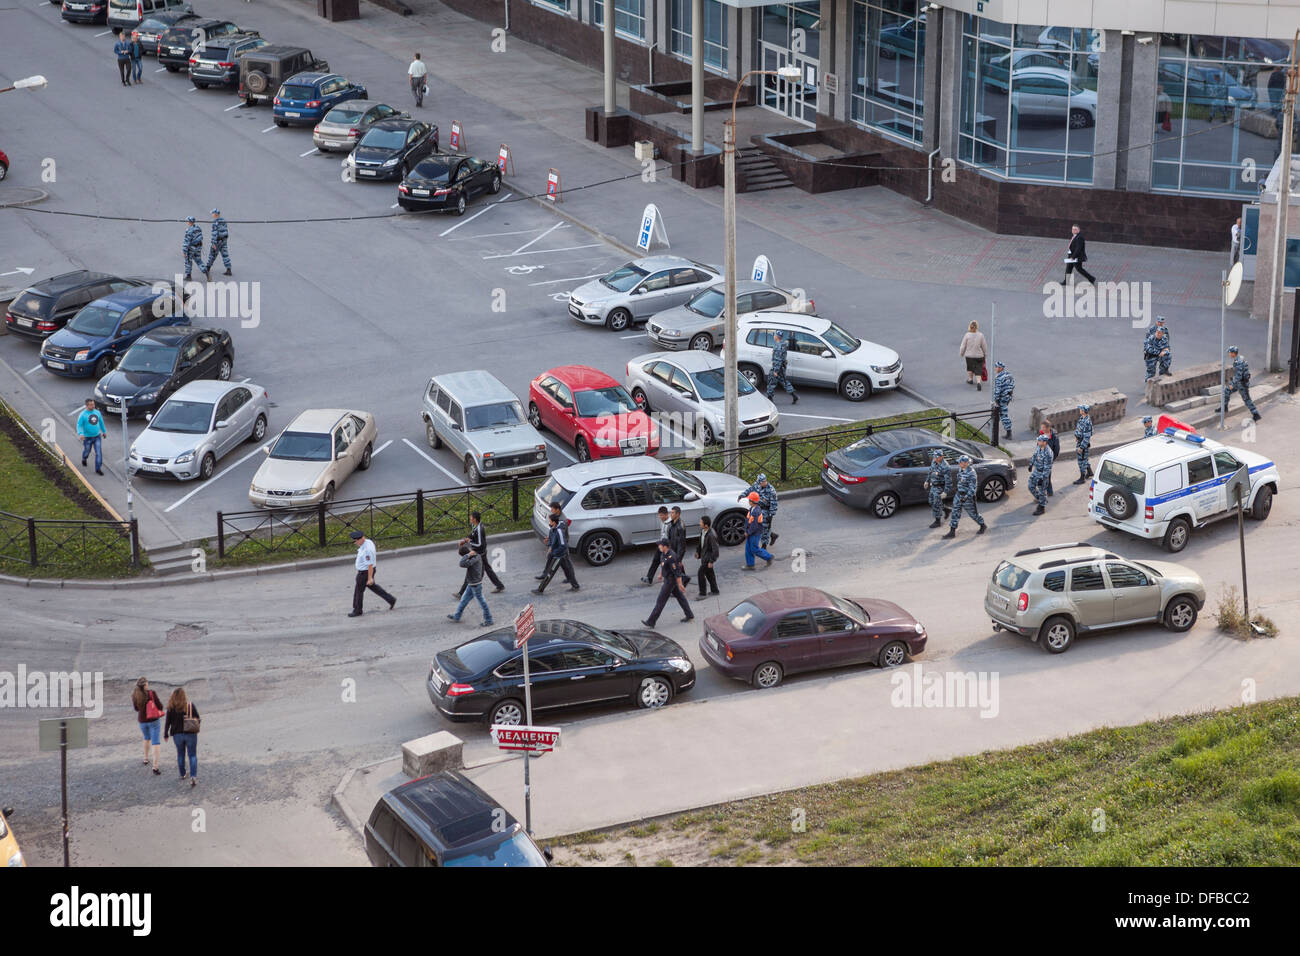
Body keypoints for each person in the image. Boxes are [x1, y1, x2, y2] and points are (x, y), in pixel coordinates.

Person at [641, 541, 694, 627]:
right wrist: (661, 574)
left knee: (660, 601)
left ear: (665, 546)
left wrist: (680, 584)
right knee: (680, 597)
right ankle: (689, 615)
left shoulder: (671, 557)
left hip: (670, 581)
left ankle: (651, 621)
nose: (659, 547)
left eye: (660, 545)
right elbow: (663, 565)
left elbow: (677, 572)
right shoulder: (663, 554)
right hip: (667, 579)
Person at [455, 511, 504, 596]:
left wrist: (470, 543)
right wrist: (465, 540)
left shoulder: (480, 529)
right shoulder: (475, 525)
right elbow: (472, 535)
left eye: (471, 517)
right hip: (479, 552)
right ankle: (499, 585)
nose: (470, 518)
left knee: (471, 571)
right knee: (486, 570)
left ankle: (461, 593)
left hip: (479, 553)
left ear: (475, 519)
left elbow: (480, 544)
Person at [348, 530, 396, 617]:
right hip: (368, 571)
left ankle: (357, 610)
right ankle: (390, 599)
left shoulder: (367, 550)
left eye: (355, 541)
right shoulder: (368, 542)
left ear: (360, 539)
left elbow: (369, 565)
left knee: (358, 591)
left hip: (364, 573)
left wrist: (370, 578)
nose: (354, 543)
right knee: (373, 587)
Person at [447, 545, 493, 626]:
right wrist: (468, 554)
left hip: (475, 584)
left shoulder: (474, 558)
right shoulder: (475, 556)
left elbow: (461, 564)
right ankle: (457, 616)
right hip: (471, 584)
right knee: (464, 600)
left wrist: (468, 555)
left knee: (482, 603)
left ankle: (489, 620)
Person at [163, 687, 200, 787]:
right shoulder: (190, 705)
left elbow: (167, 722)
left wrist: (165, 734)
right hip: (190, 733)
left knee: (180, 754)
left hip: (177, 735)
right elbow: (197, 717)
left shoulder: (170, 708)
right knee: (192, 755)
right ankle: (193, 776)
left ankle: (183, 773)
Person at [942, 456, 986, 538]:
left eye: (960, 462)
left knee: (973, 515)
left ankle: (983, 525)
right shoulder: (961, 469)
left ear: (966, 463)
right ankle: (952, 532)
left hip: (967, 498)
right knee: (955, 513)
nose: (959, 463)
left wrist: (965, 497)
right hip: (959, 495)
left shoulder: (971, 473)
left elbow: (973, 489)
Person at [534, 513, 580, 593]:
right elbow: (552, 540)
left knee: (551, 572)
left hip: (560, 555)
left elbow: (563, 545)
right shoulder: (552, 529)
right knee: (567, 570)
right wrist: (548, 544)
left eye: (550, 521)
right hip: (556, 554)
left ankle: (540, 589)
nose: (549, 522)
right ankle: (575, 586)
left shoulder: (559, 531)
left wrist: (554, 552)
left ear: (554, 522)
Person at [131, 677, 164, 776]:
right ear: (145, 685)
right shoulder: (151, 693)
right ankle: (155, 766)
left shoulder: (135, 695)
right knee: (155, 742)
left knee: (146, 738)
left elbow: (136, 709)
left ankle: (146, 759)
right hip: (153, 720)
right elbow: (160, 706)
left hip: (142, 721)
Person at [1223, 346, 1261, 422]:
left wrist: (1232, 384)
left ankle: (1256, 414)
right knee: (1226, 390)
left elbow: (1238, 376)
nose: (1229, 354)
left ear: (1233, 353)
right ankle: (1224, 407)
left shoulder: (1238, 362)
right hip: (1239, 383)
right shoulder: (1240, 358)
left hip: (1241, 384)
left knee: (1247, 399)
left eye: (1230, 353)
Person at [741, 473, 779, 547]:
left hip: (766, 511)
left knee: (765, 528)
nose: (763, 483)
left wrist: (771, 515)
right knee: (758, 526)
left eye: (764, 482)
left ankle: (764, 544)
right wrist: (742, 495)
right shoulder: (757, 485)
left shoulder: (771, 490)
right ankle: (773, 535)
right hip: (757, 509)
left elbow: (774, 503)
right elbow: (750, 490)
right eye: (761, 482)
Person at [742, 492, 774, 569]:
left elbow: (754, 525)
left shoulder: (756, 511)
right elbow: (748, 520)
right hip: (751, 532)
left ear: (752, 502)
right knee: (748, 549)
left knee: (754, 549)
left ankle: (769, 557)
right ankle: (750, 565)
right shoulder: (752, 509)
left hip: (755, 533)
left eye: (749, 500)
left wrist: (748, 532)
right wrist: (746, 530)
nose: (748, 501)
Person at [76, 398, 107, 475]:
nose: (93, 406)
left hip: (97, 436)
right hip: (87, 438)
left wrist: (104, 431)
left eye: (93, 404)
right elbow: (79, 425)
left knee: (99, 453)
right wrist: (81, 434)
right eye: (91, 404)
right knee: (87, 451)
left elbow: (101, 422)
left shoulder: (97, 412)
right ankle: (84, 458)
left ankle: (98, 468)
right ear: (87, 405)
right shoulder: (83, 415)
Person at [641, 506, 671, 584]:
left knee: (669, 564)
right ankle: (649, 578)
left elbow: (670, 537)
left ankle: (682, 578)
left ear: (666, 514)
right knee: (655, 560)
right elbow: (662, 534)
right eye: (659, 515)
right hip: (661, 544)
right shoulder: (662, 521)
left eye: (661, 515)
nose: (660, 517)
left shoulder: (670, 523)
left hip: (667, 547)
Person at [765, 331, 797, 403]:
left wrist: (775, 371)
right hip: (781, 367)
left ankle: (770, 399)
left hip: (777, 368)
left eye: (774, 335)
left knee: (771, 382)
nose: (773, 336)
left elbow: (778, 359)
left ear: (777, 336)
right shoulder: (783, 344)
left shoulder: (778, 346)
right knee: (784, 381)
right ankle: (794, 396)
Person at [695, 515, 720, 599]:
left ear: (706, 525)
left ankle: (703, 594)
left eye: (701, 522)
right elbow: (700, 543)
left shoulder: (711, 535)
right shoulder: (703, 531)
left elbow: (715, 550)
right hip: (704, 557)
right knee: (710, 574)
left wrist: (711, 561)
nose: (699, 523)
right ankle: (715, 590)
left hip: (708, 558)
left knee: (700, 573)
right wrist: (698, 552)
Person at [924, 448, 950, 529]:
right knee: (931, 501)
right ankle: (946, 509)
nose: (935, 458)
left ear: (941, 457)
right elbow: (930, 471)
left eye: (937, 457)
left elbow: (948, 481)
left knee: (936, 503)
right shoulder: (934, 461)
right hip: (933, 485)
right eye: (934, 456)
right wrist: (927, 481)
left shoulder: (945, 466)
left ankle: (937, 521)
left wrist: (945, 492)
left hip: (940, 487)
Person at [202, 208, 232, 278]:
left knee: (212, 254)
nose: (212, 215)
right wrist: (225, 240)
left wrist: (213, 243)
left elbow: (214, 233)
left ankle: (208, 267)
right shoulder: (223, 221)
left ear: (215, 214)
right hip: (223, 240)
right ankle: (228, 269)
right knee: (225, 255)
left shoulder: (215, 222)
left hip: (217, 241)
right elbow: (226, 231)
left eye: (212, 213)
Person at [959, 320, 988, 390]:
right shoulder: (981, 335)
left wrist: (961, 353)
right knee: (979, 369)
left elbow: (963, 346)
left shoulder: (967, 335)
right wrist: (985, 354)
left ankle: (970, 379)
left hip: (969, 356)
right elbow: (984, 346)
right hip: (979, 356)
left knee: (970, 368)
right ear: (977, 327)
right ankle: (978, 383)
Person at [1028, 435, 1053, 516]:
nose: (1038, 442)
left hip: (1042, 474)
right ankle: (1041, 499)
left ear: (1044, 442)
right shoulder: (1039, 447)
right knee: (1030, 486)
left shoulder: (1048, 453)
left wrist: (1042, 479)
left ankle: (1041, 508)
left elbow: (1047, 468)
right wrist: (1031, 464)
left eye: (1039, 441)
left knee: (1042, 491)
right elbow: (1034, 455)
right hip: (1036, 471)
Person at [992, 360, 1014, 438]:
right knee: (998, 411)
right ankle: (993, 421)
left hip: (1001, 398)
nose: (995, 368)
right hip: (1008, 397)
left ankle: (1008, 432)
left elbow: (997, 390)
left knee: (1003, 413)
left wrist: (996, 399)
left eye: (997, 367)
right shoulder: (1009, 375)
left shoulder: (999, 378)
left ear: (1001, 368)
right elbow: (1012, 385)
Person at [1072, 404, 1094, 484]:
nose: (1079, 410)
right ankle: (1090, 472)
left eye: (1081, 409)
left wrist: (1081, 447)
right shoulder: (1082, 418)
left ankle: (1082, 478)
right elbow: (1079, 429)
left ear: (1084, 411)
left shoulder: (1087, 422)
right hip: (1079, 441)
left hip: (1083, 444)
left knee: (1081, 461)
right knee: (1084, 459)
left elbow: (1087, 437)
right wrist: (1076, 436)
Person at [1037, 421, 1059, 496]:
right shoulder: (1041, 434)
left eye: (1043, 427)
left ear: (1048, 428)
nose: (1041, 429)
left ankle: (1043, 494)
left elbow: (1056, 450)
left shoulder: (1054, 437)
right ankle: (1049, 491)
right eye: (1041, 427)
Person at [182, 215, 204, 281]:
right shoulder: (198, 228)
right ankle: (206, 272)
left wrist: (184, 251)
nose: (187, 222)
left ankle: (188, 276)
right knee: (199, 261)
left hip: (191, 248)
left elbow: (186, 241)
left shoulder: (189, 230)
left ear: (190, 222)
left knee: (188, 261)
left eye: (188, 221)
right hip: (198, 247)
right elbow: (201, 238)